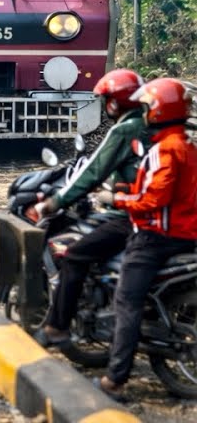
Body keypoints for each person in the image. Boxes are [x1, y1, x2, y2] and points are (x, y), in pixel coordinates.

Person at [97, 78, 197, 400]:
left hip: (156, 238)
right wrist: (130, 191)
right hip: (186, 236)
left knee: (126, 303)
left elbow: (153, 200)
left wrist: (116, 201)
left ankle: (115, 379)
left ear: (157, 110)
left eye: (146, 107)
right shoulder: (190, 148)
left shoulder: (164, 151)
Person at [34, 69, 148, 347]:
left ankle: (57, 328)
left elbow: (93, 172)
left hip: (131, 216)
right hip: (151, 211)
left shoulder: (124, 130)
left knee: (74, 255)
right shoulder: (153, 127)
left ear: (113, 103)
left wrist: (55, 202)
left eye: (106, 100)